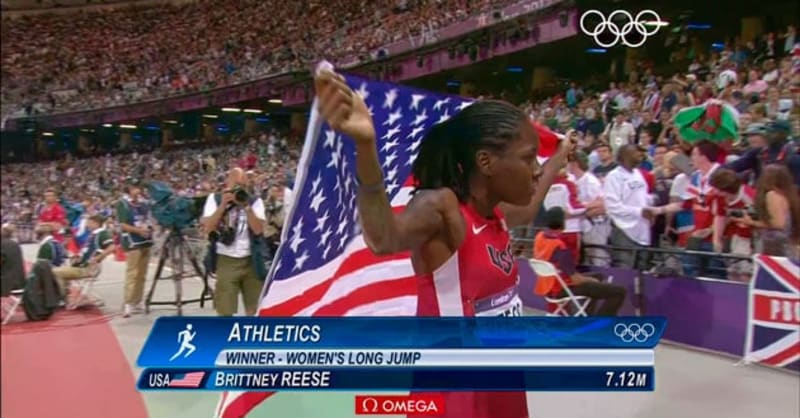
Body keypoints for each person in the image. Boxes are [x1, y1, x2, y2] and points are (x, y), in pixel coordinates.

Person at [314, 70, 569, 418]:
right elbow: (384, 238)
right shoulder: (442, 208)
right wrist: (366, 147)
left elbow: (526, 208)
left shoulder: (494, 213)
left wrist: (557, 158)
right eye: (528, 159)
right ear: (486, 161)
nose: (535, 169)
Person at [534, 207, 626, 316]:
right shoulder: (560, 247)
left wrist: (592, 280)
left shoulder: (539, 237)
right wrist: (590, 280)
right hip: (561, 289)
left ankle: (586, 316)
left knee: (599, 276)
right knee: (619, 291)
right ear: (561, 222)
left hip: (549, 286)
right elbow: (575, 279)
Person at [202, 168, 267, 317]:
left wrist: (246, 207)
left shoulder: (255, 201)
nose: (240, 189)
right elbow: (208, 228)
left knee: (254, 308)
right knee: (225, 309)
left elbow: (258, 230)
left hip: (251, 260)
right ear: (227, 183)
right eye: (237, 185)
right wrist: (223, 206)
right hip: (226, 259)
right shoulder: (215, 199)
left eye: (243, 186)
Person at [603, 145, 681, 269]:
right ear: (624, 156)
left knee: (642, 269)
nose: (640, 155)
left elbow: (641, 198)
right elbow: (612, 206)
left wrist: (652, 202)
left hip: (643, 229)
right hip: (624, 229)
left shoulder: (638, 174)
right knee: (625, 269)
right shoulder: (614, 176)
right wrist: (639, 211)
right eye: (636, 152)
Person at [735, 164, 800, 258]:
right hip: (784, 244)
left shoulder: (773, 195)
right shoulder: (787, 195)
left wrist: (751, 222)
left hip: (776, 246)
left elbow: (779, 223)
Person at [116, 178, 154, 317]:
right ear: (129, 189)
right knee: (132, 272)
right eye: (135, 188)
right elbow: (123, 224)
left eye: (139, 188)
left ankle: (138, 301)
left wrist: (150, 228)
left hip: (145, 239)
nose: (138, 191)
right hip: (133, 240)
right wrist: (139, 231)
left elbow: (149, 219)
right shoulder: (123, 204)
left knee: (142, 274)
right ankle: (127, 302)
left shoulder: (144, 203)